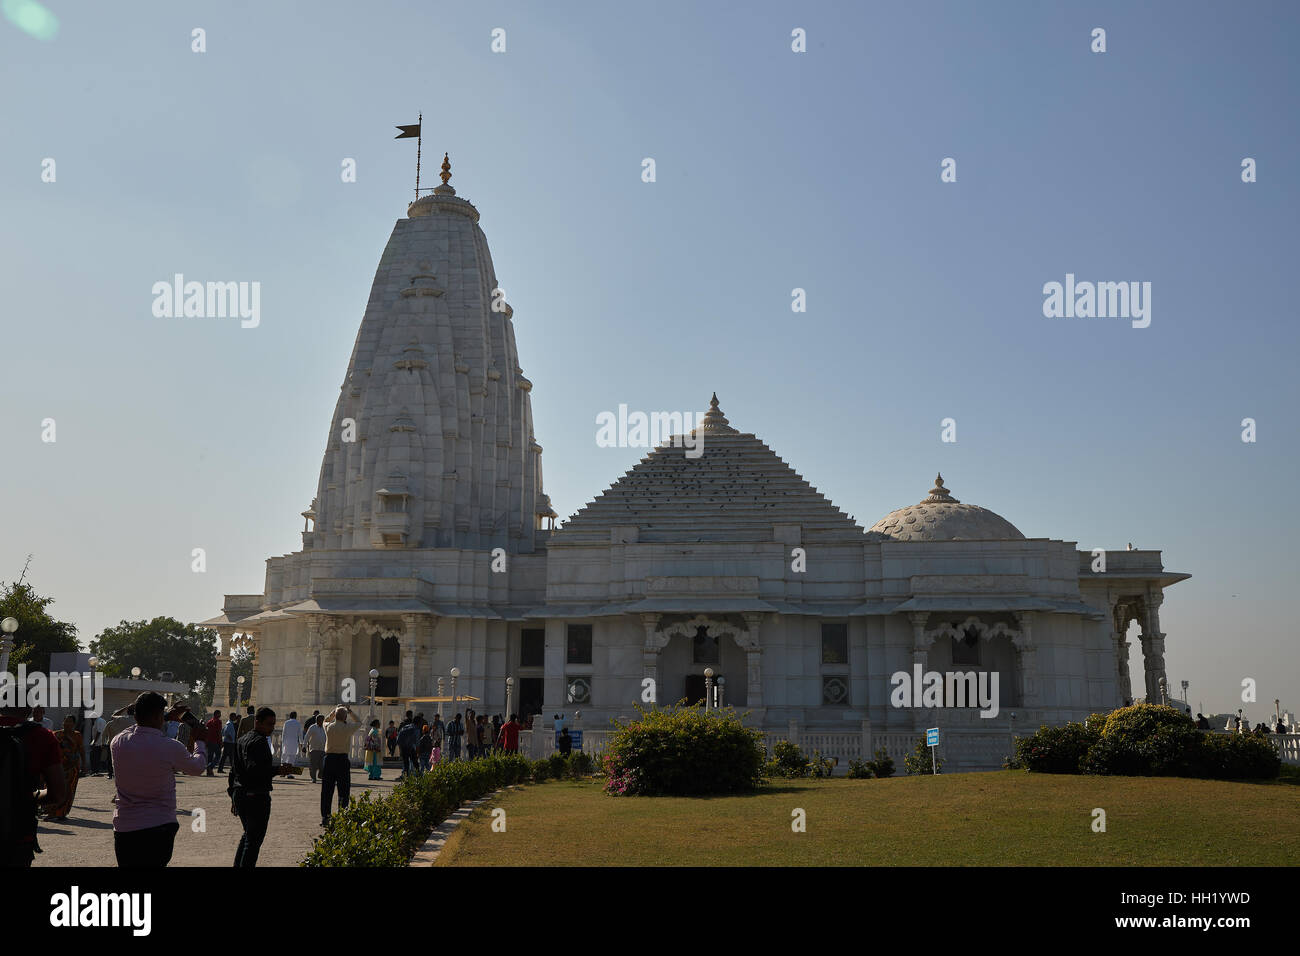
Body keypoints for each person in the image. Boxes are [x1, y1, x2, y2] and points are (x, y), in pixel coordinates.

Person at [110, 692, 208, 867]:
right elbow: (197, 767)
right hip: (158, 825)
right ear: (157, 716)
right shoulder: (170, 746)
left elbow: (137, 727)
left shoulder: (118, 742)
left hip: (125, 826)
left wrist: (166, 715)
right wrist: (199, 742)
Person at [0, 704, 67, 867]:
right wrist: (30, 796)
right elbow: (58, 794)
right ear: (29, 711)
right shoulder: (41, 736)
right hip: (18, 834)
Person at [227, 706, 295, 867]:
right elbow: (254, 770)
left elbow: (234, 771)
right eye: (269, 724)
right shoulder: (259, 742)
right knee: (253, 840)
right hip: (255, 795)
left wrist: (233, 795)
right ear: (257, 722)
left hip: (241, 793)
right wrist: (278, 770)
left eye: (273, 724)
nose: (272, 728)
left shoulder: (242, 739)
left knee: (248, 836)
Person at [320, 705, 363, 827]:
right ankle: (342, 816)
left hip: (329, 759)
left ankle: (325, 817)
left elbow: (325, 720)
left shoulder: (328, 727)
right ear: (345, 717)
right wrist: (350, 712)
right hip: (342, 760)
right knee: (344, 790)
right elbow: (359, 722)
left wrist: (334, 711)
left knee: (326, 791)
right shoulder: (347, 728)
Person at [45, 715, 85, 820]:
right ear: (63, 722)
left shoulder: (77, 735)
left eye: (70, 722)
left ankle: (62, 812)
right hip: (57, 766)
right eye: (66, 721)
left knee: (69, 789)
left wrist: (84, 764)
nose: (67, 724)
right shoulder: (56, 734)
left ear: (74, 724)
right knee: (53, 787)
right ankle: (51, 812)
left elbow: (81, 750)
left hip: (72, 767)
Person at [103, 707, 135, 779]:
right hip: (135, 745)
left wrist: (125, 708)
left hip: (123, 744)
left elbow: (113, 715)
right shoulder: (138, 720)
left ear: (127, 712)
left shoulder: (122, 719)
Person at [304, 714, 326, 783]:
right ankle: (313, 778)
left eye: (321, 720)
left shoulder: (325, 727)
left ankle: (320, 775)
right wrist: (304, 746)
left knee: (322, 765)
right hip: (314, 749)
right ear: (316, 720)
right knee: (313, 766)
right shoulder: (312, 727)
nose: (319, 721)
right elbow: (307, 737)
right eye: (318, 720)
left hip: (323, 749)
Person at [396, 713, 420, 777]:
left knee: (406, 763)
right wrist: (417, 752)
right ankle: (419, 776)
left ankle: (406, 777)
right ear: (418, 723)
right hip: (410, 747)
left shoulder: (406, 727)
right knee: (415, 763)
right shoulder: (416, 729)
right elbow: (417, 742)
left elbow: (398, 738)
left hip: (403, 747)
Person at [204, 710, 223, 776]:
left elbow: (206, 732)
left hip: (209, 741)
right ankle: (210, 767)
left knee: (210, 756)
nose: (220, 715)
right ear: (217, 714)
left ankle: (209, 771)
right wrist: (221, 742)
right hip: (215, 741)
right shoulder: (218, 721)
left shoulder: (209, 722)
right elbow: (219, 733)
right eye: (219, 714)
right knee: (218, 755)